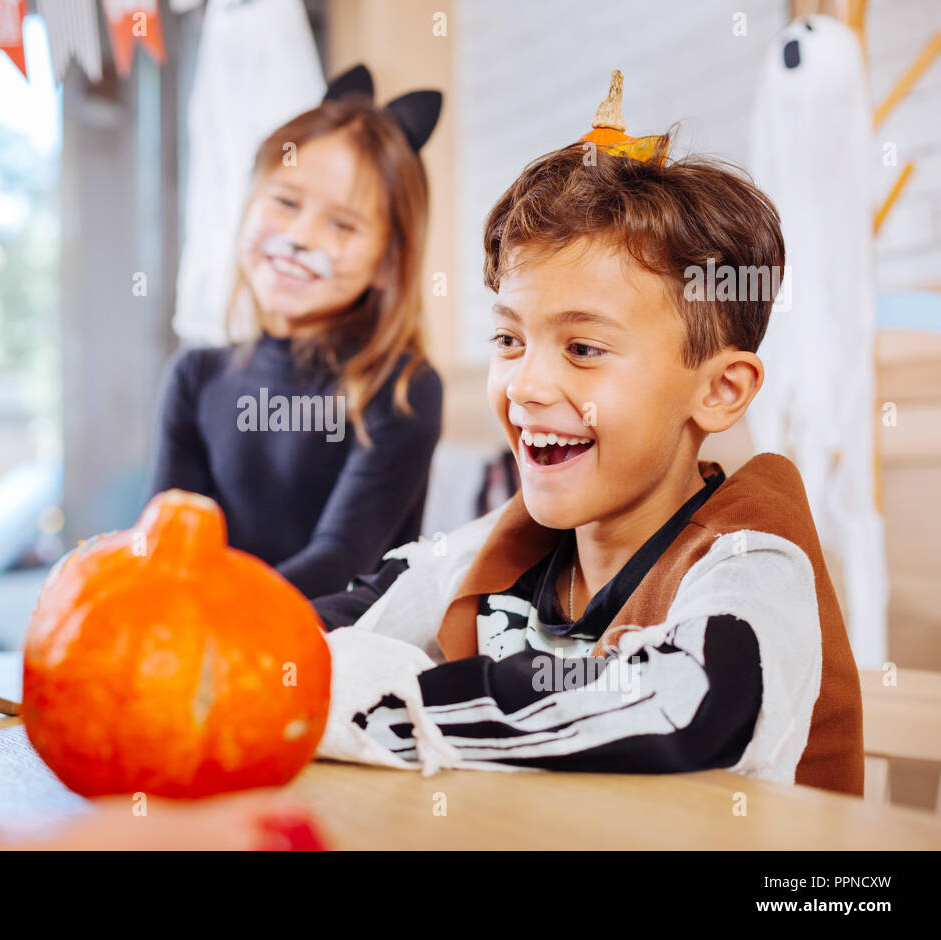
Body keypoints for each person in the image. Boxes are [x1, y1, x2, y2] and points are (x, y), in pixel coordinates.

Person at [313, 77, 863, 795]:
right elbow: (314, 634)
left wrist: (380, 707)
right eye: (509, 338)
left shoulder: (753, 558)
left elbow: (688, 700)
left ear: (719, 391)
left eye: (584, 349)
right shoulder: (493, 554)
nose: (527, 385)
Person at [145, 65, 444, 599]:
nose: (300, 237)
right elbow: (168, 546)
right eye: (285, 202)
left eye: (343, 224)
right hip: (200, 653)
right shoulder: (194, 377)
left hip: (339, 662)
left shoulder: (402, 387)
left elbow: (340, 561)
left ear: (386, 264)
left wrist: (211, 619)